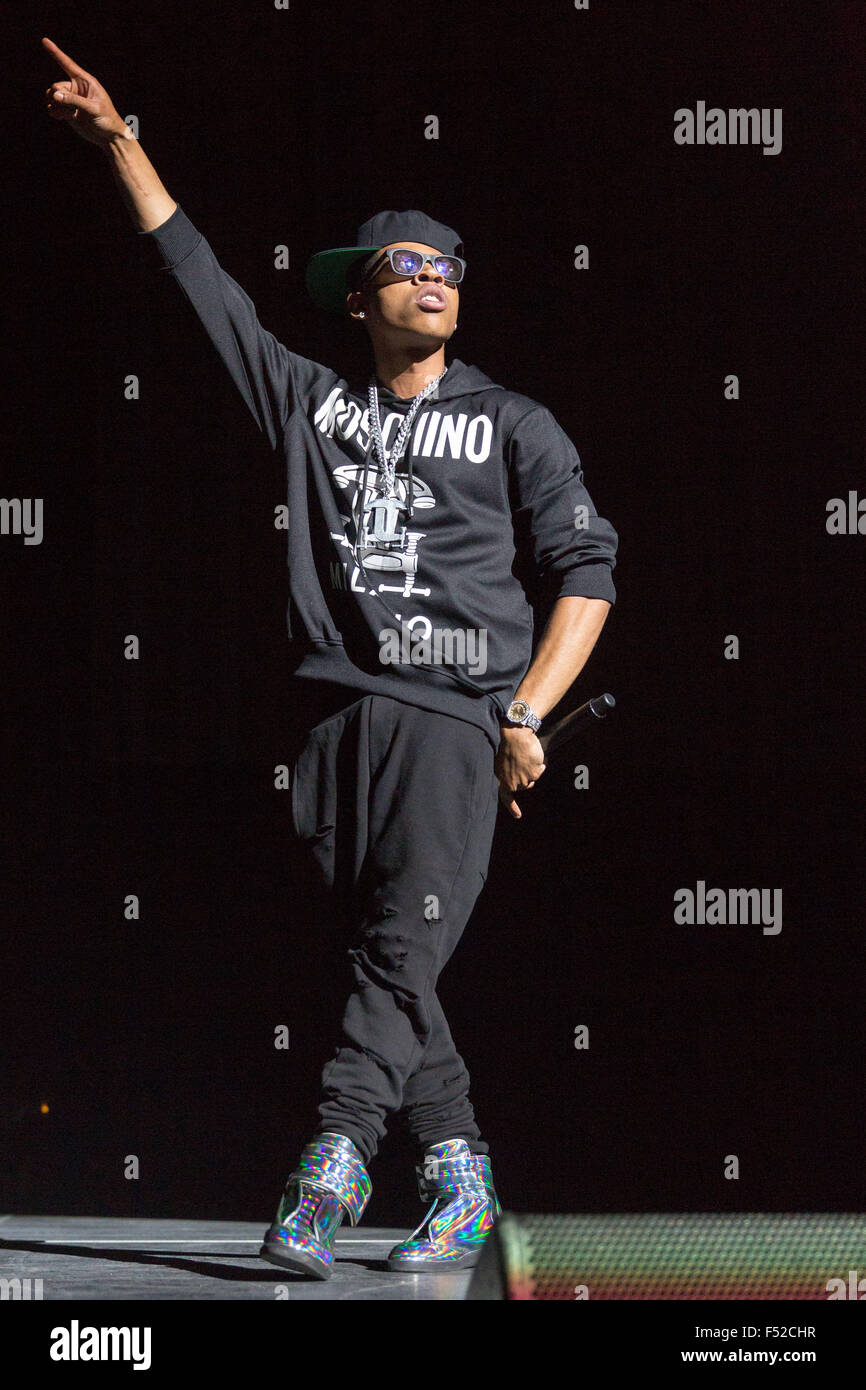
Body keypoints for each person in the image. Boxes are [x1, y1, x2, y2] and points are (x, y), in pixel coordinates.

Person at [43, 35, 619, 1280]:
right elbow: (203, 290)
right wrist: (124, 145)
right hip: (329, 730)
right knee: (389, 966)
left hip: (453, 721)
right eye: (403, 266)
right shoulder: (314, 406)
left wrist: (522, 710)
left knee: (394, 960)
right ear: (359, 297)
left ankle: (329, 1169)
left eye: (446, 268)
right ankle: (461, 1180)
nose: (430, 278)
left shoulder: (514, 423)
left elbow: (588, 577)